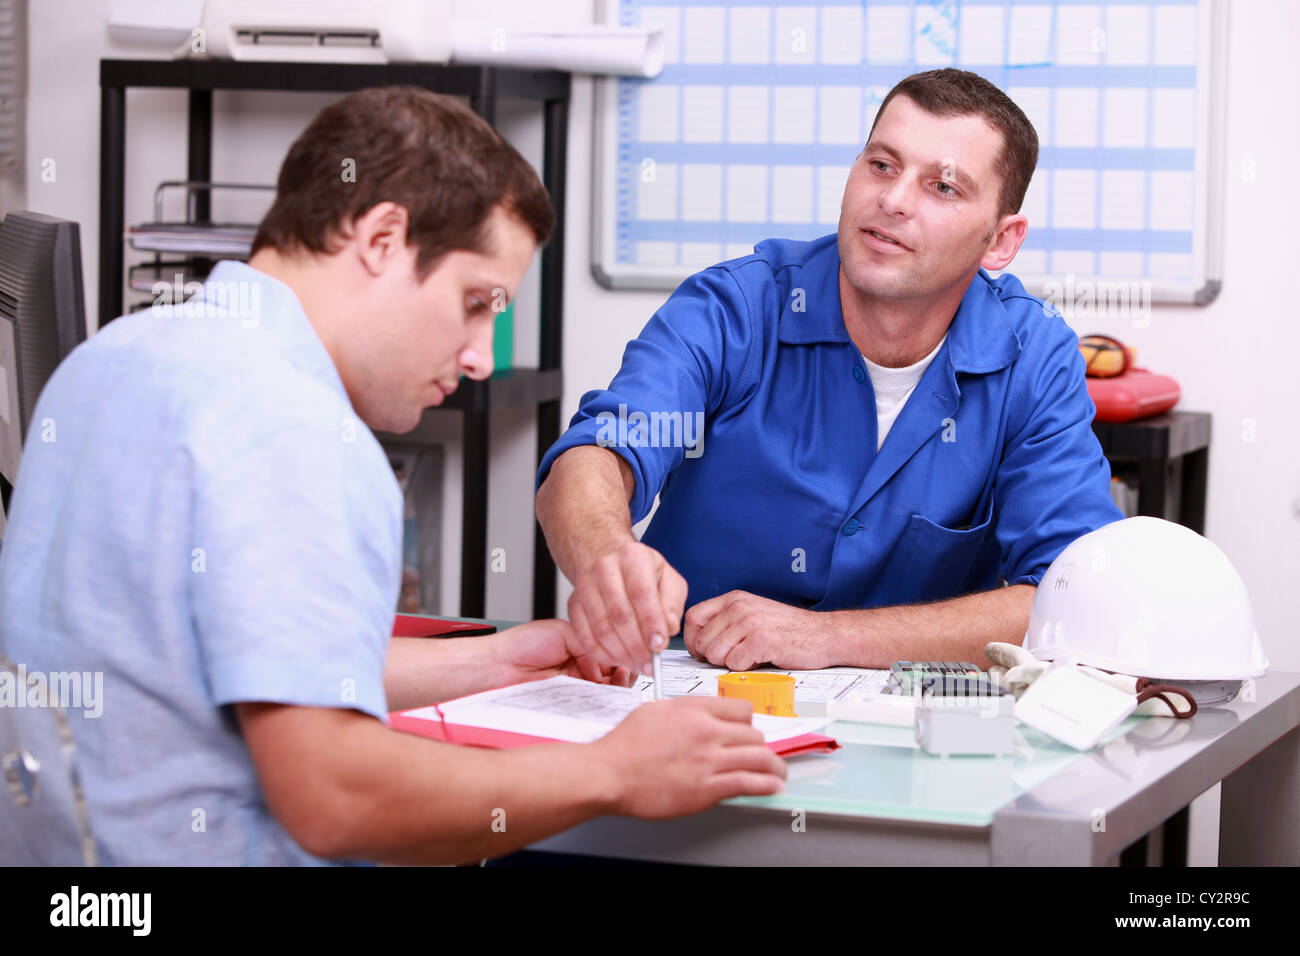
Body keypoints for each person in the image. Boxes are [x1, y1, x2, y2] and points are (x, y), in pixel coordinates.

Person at [0, 86, 785, 866]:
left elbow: (229, 657)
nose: (481, 355)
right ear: (381, 238)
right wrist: (612, 771)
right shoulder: (296, 431)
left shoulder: (112, 359)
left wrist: (491, 663)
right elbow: (334, 796)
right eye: (476, 302)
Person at [536, 69, 1124, 676]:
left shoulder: (1033, 356)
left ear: (1000, 241)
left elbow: (1069, 595)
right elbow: (598, 455)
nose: (893, 200)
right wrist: (607, 556)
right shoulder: (738, 308)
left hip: (905, 735)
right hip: (687, 692)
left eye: (943, 187)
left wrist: (826, 637)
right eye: (882, 165)